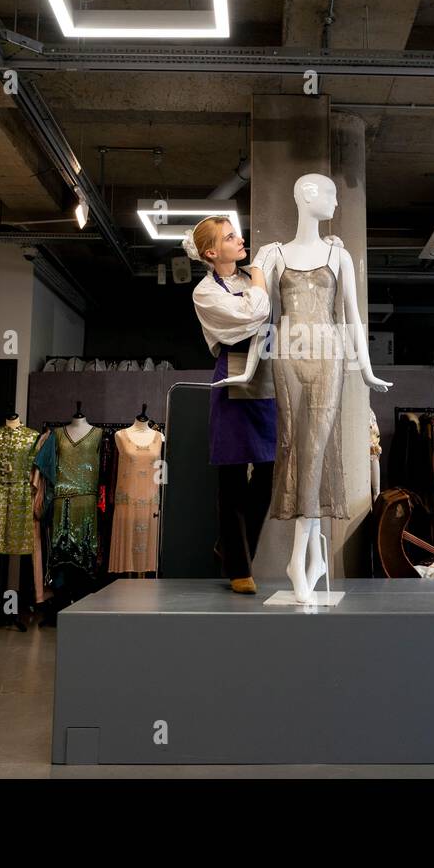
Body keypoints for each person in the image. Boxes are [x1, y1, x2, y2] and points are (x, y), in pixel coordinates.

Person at [187, 216, 276, 594]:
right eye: (229, 237)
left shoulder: (247, 280)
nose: (240, 240)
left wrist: (257, 289)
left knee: (271, 469)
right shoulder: (205, 292)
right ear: (211, 252)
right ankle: (240, 568)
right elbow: (254, 313)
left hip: (267, 372)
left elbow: (266, 317)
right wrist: (259, 280)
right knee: (233, 476)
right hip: (232, 373)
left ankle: (229, 546)